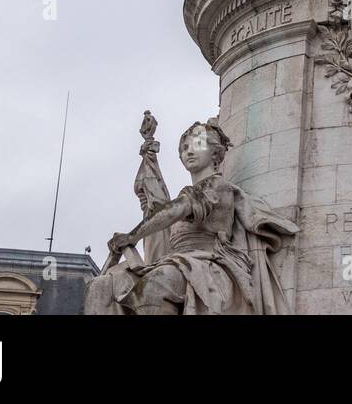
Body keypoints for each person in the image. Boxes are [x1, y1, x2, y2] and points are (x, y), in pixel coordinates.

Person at [84, 119, 296, 315]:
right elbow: (164, 223)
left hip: (207, 266)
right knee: (101, 286)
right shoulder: (187, 196)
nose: (189, 151)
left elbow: (176, 210)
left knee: (153, 286)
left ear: (216, 153)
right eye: (184, 148)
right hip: (177, 264)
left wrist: (133, 236)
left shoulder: (217, 186)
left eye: (197, 145)